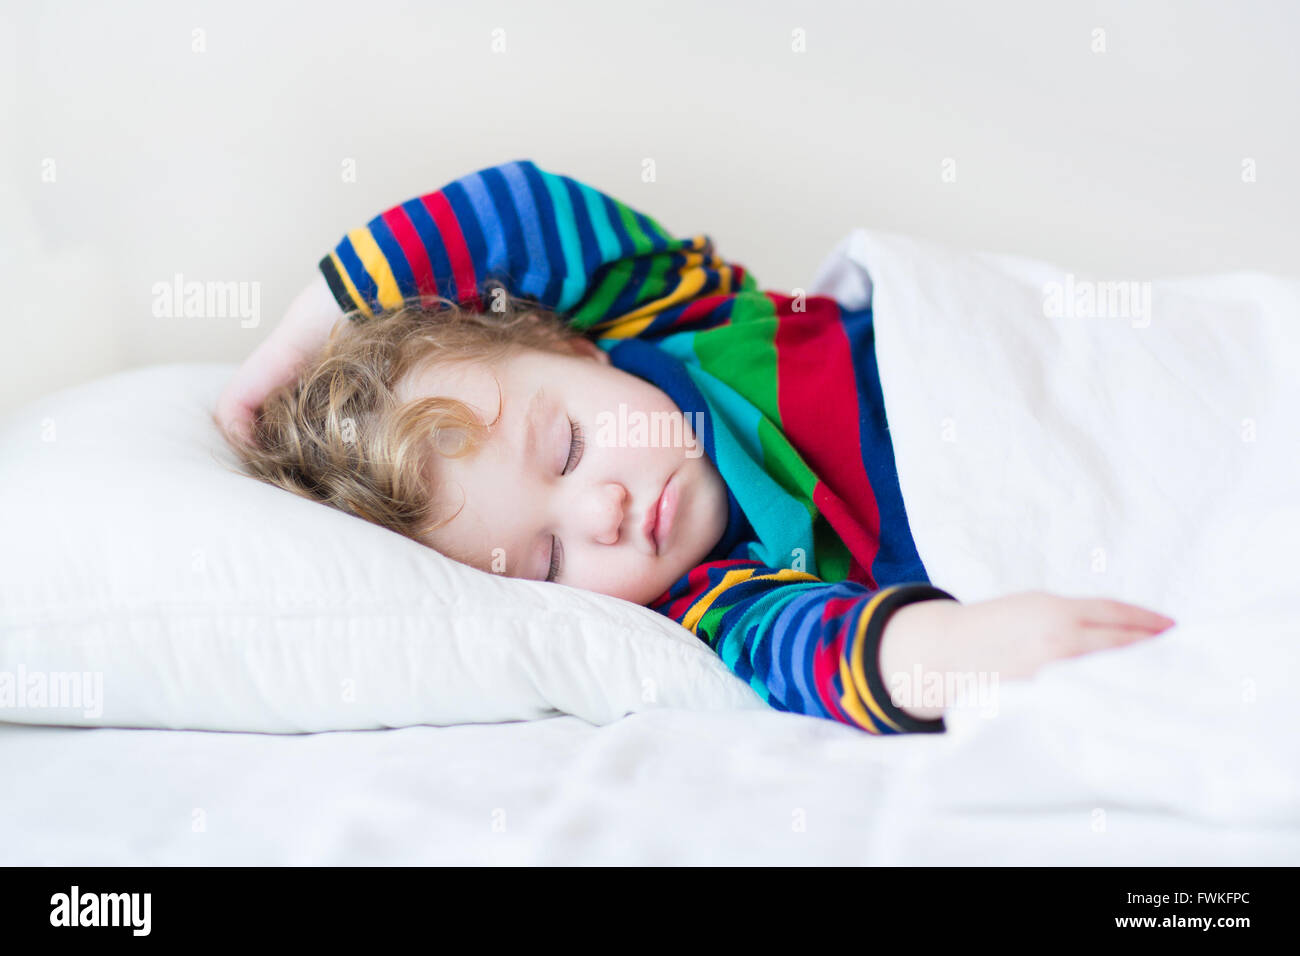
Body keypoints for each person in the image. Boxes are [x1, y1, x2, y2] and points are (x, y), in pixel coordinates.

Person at [216, 159, 1175, 735]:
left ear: (570, 341)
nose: (601, 511)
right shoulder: (706, 592)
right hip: (1072, 512)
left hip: (1060, 377)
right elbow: (805, 648)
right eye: (548, 560)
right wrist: (946, 646)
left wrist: (300, 335)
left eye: (567, 449)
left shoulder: (680, 307)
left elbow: (512, 205)